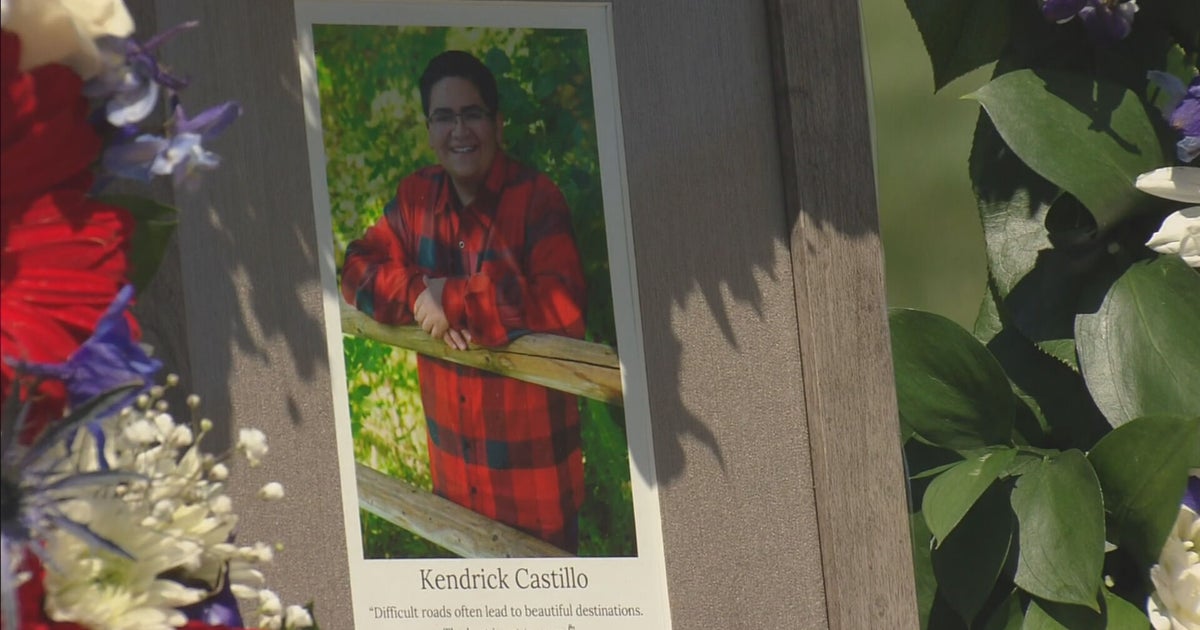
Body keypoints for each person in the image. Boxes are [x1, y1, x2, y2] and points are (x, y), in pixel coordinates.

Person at [340, 50, 588, 552]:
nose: (460, 131)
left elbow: (564, 308)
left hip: (533, 493)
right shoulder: (415, 199)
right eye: (444, 117)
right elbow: (357, 267)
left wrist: (452, 296)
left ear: (497, 122)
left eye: (472, 114)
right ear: (430, 129)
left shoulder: (538, 199)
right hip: (453, 482)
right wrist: (415, 295)